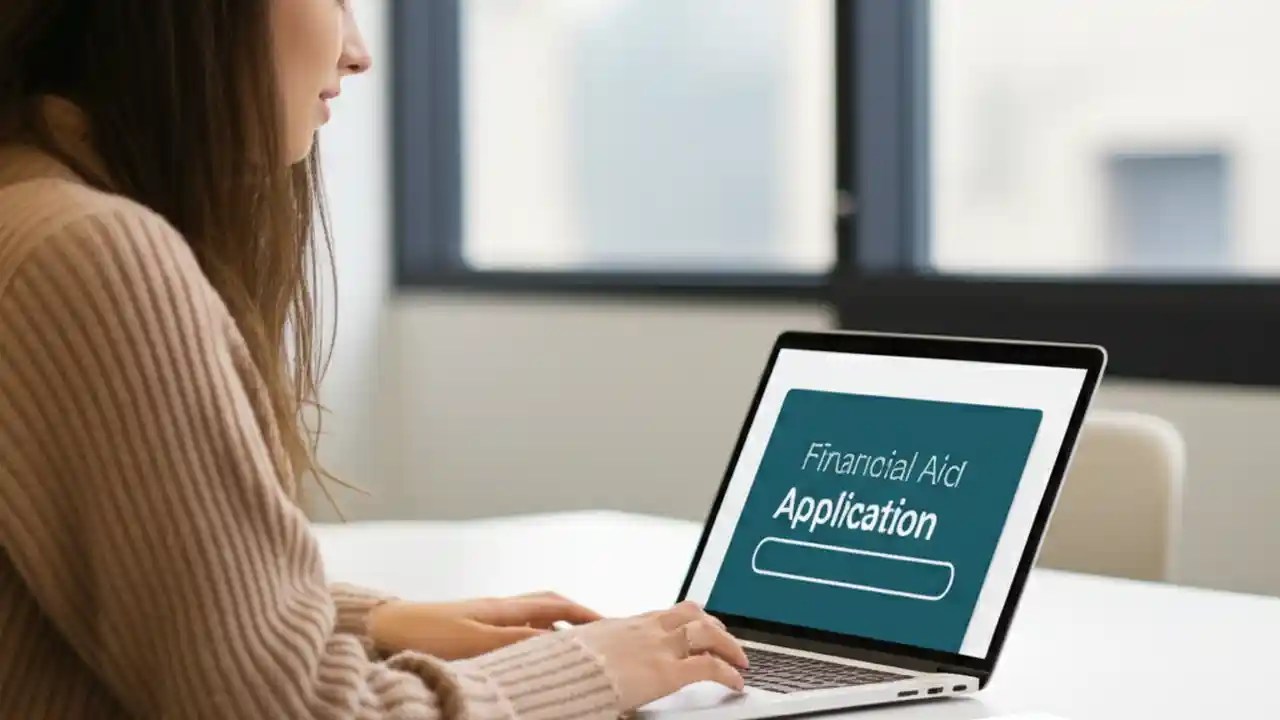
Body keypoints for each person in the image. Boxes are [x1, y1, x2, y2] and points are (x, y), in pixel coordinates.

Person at [0, 1, 748, 717]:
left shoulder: (25, 207)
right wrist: (591, 669)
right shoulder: (90, 255)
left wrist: (379, 620)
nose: (357, 52)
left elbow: (141, 601)